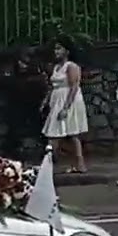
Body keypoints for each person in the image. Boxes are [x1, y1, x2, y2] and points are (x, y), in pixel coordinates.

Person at [43, 38, 89, 172]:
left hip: (69, 100)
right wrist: (46, 101)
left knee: (72, 132)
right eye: (55, 49)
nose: (56, 51)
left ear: (67, 51)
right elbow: (52, 86)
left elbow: (74, 87)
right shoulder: (56, 67)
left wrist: (66, 108)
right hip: (57, 100)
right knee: (55, 133)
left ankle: (80, 164)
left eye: (59, 49)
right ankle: (51, 163)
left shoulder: (71, 66)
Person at [1, 46, 47, 159]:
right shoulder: (12, 70)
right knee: (14, 129)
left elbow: (41, 85)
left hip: (33, 103)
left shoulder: (36, 69)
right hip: (16, 104)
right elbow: (5, 83)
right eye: (21, 61)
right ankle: (11, 151)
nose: (23, 64)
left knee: (39, 128)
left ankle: (47, 150)